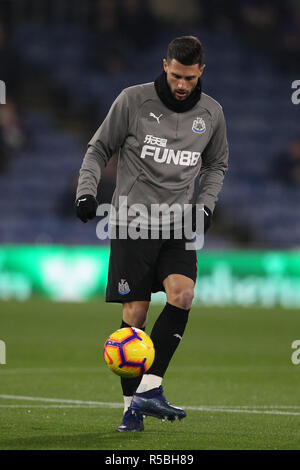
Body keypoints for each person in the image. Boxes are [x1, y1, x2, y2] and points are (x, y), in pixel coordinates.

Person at [75, 36, 228, 432]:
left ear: (201, 73)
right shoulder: (133, 101)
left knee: (184, 294)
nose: (181, 85)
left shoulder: (212, 114)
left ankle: (151, 387)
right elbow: (98, 149)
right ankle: (131, 410)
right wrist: (87, 191)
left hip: (179, 224)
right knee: (135, 315)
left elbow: (216, 165)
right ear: (165, 66)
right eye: (176, 75)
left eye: (189, 78)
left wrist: (206, 204)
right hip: (133, 222)